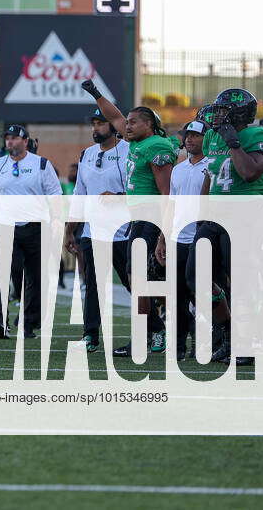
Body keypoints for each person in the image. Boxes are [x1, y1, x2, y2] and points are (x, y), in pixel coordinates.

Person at [82, 78, 175, 357]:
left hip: (150, 219)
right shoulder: (137, 141)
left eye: (135, 122)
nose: (128, 126)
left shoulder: (156, 146)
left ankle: (151, 333)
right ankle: (154, 331)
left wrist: (162, 234)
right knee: (136, 281)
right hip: (136, 219)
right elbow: (114, 116)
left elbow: (166, 194)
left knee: (140, 280)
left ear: (149, 124)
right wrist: (96, 93)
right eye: (129, 122)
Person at [181, 90, 263, 365]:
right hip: (215, 218)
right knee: (195, 277)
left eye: (225, 109)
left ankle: (245, 344)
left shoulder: (259, 135)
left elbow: (249, 172)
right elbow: (209, 177)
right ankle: (228, 331)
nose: (218, 114)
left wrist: (234, 145)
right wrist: (202, 214)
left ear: (241, 112)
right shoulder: (211, 136)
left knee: (242, 282)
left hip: (245, 215)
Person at [0, 125, 63, 339]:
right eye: (7, 138)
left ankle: (27, 324)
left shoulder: (42, 164)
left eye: (15, 138)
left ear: (25, 141)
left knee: (35, 277)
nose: (10, 142)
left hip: (36, 227)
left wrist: (56, 224)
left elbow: (55, 195)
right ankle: (0, 322)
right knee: (5, 274)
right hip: (6, 227)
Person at [64, 109, 131, 353]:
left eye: (101, 123)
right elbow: (79, 195)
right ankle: (90, 336)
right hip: (93, 232)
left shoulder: (129, 151)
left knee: (132, 283)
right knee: (93, 285)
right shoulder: (87, 155)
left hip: (125, 230)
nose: (96, 128)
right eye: (94, 123)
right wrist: (70, 230)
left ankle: (154, 329)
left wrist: (119, 197)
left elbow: (140, 188)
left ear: (114, 125)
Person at [162, 121, 213, 361]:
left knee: (202, 294)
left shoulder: (212, 166)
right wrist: (163, 238)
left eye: (196, 136)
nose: (190, 140)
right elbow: (171, 205)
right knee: (178, 296)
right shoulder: (178, 169)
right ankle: (180, 344)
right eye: (187, 135)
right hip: (177, 239)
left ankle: (207, 342)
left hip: (202, 237)